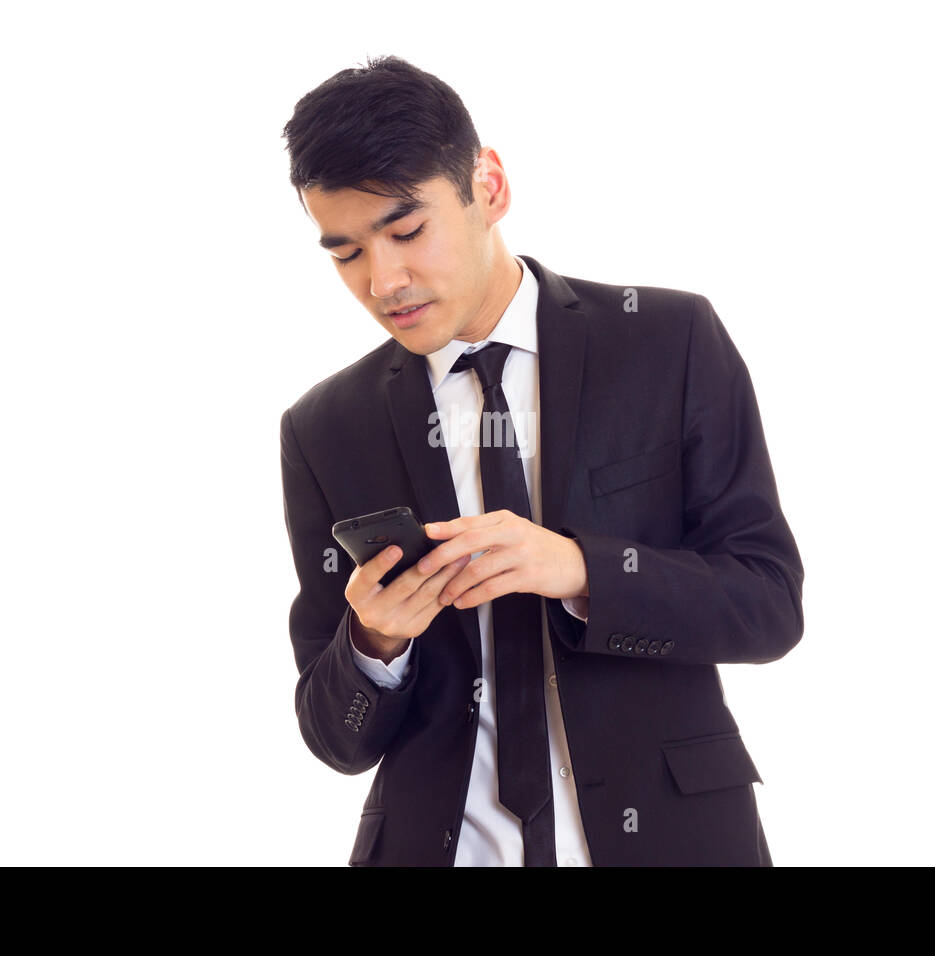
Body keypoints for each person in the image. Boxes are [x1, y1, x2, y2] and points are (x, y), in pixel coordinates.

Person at [278, 55, 805, 866]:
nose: (384, 281)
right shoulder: (325, 426)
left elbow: (768, 604)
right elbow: (335, 739)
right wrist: (373, 645)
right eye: (346, 253)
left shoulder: (668, 342)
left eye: (407, 230)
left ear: (488, 186)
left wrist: (580, 568)